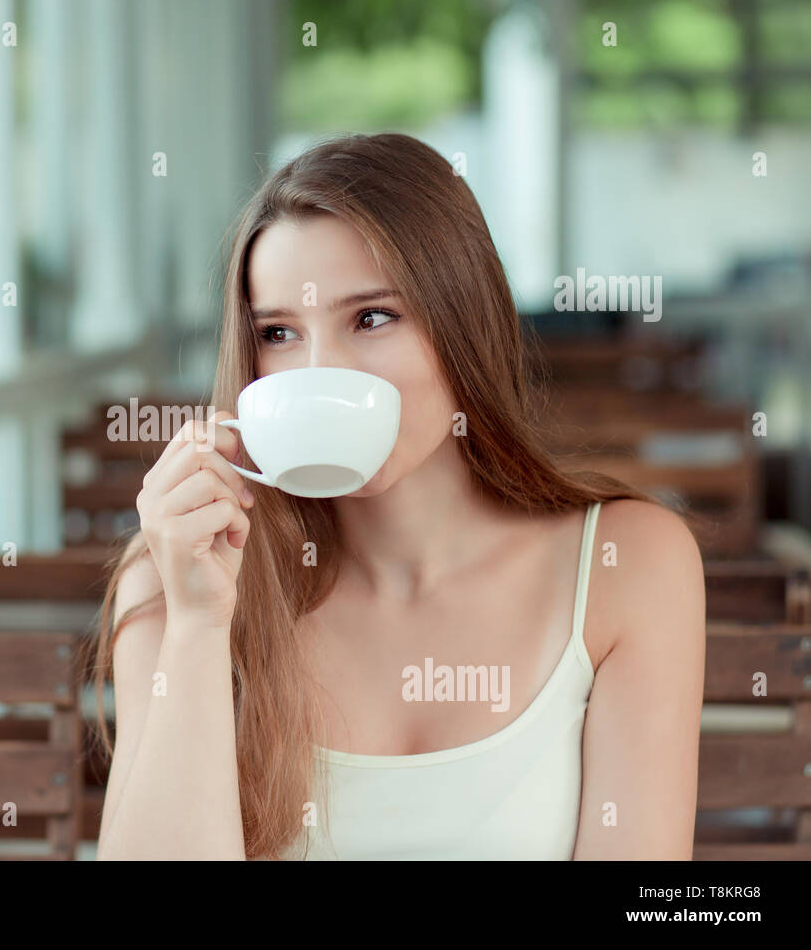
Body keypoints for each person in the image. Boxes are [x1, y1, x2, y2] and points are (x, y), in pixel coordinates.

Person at [88, 133, 705, 860]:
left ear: (463, 321)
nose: (322, 371)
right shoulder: (174, 579)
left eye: (372, 318)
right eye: (279, 333)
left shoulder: (625, 564)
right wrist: (196, 626)